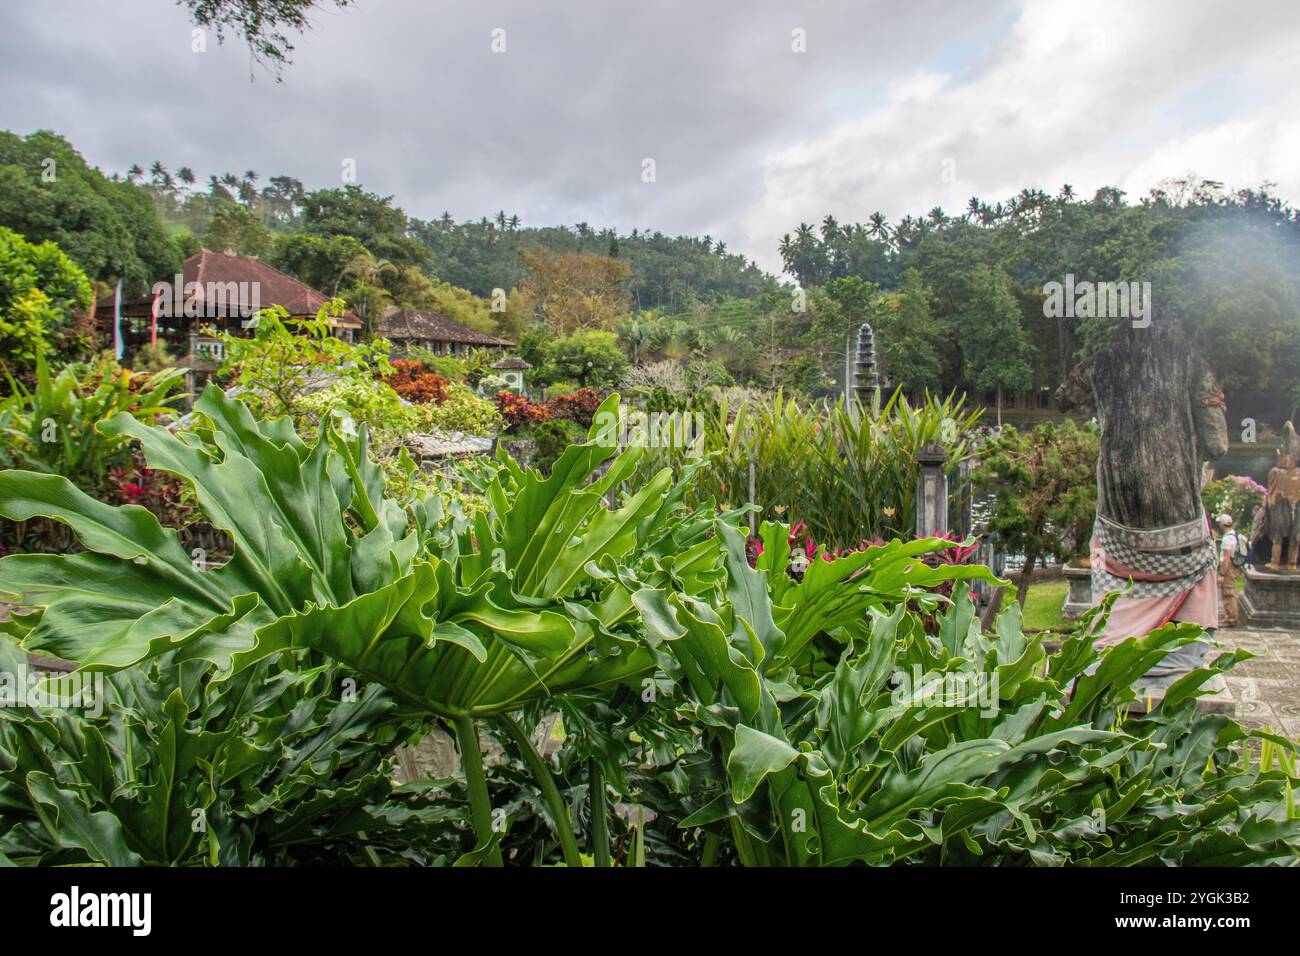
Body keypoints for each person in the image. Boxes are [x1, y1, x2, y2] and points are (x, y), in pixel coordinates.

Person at [1217, 513, 1241, 626]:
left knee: (1228, 592)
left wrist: (1222, 573)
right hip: (1233, 566)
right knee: (1230, 590)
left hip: (1228, 567)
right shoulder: (1234, 535)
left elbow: (1226, 558)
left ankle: (1231, 619)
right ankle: (1231, 616)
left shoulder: (1227, 539)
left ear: (1222, 525)